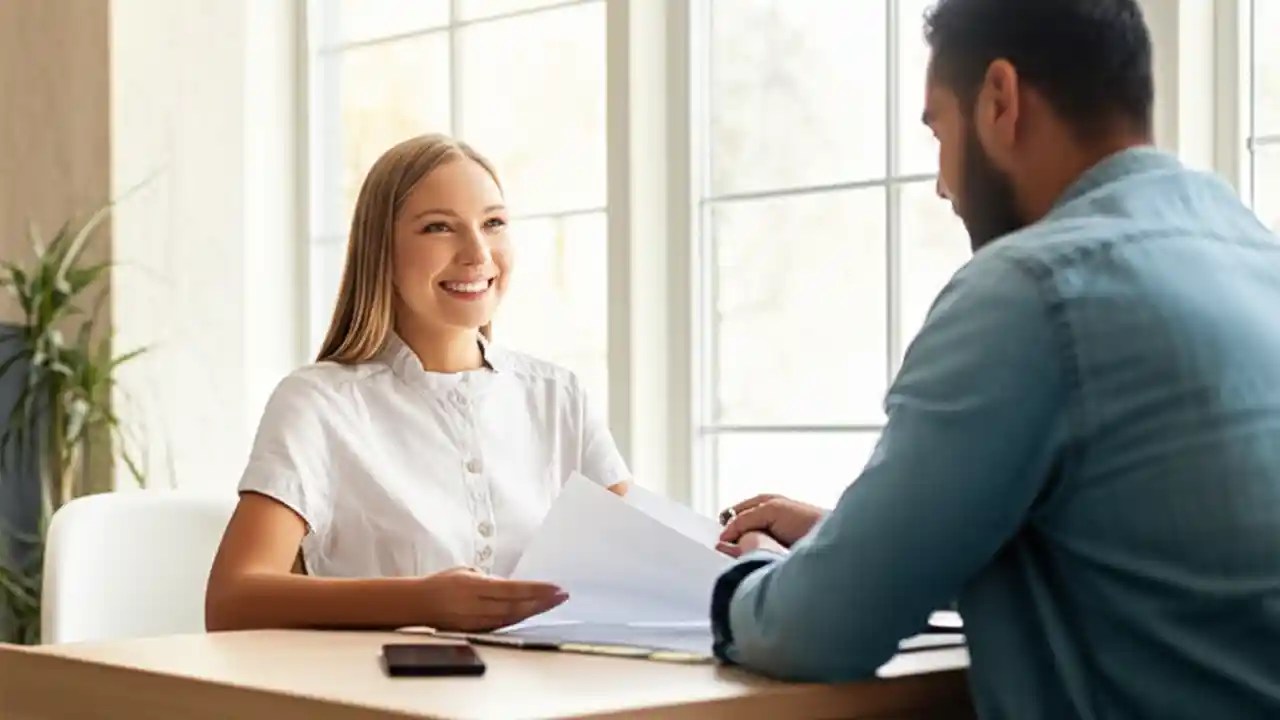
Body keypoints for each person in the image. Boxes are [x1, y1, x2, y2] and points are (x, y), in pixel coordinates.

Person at [710, 0, 1280, 717]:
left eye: (939, 130)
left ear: (1000, 100)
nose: (944, 184)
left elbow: (814, 632)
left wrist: (744, 575)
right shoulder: (1254, 258)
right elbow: (1147, 565)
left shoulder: (1033, 290)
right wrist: (845, 539)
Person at [206, 134, 630, 633]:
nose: (477, 253)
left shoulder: (558, 397)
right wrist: (422, 603)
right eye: (438, 228)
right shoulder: (318, 403)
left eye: (493, 224)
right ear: (380, 250)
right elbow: (233, 599)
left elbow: (634, 566)